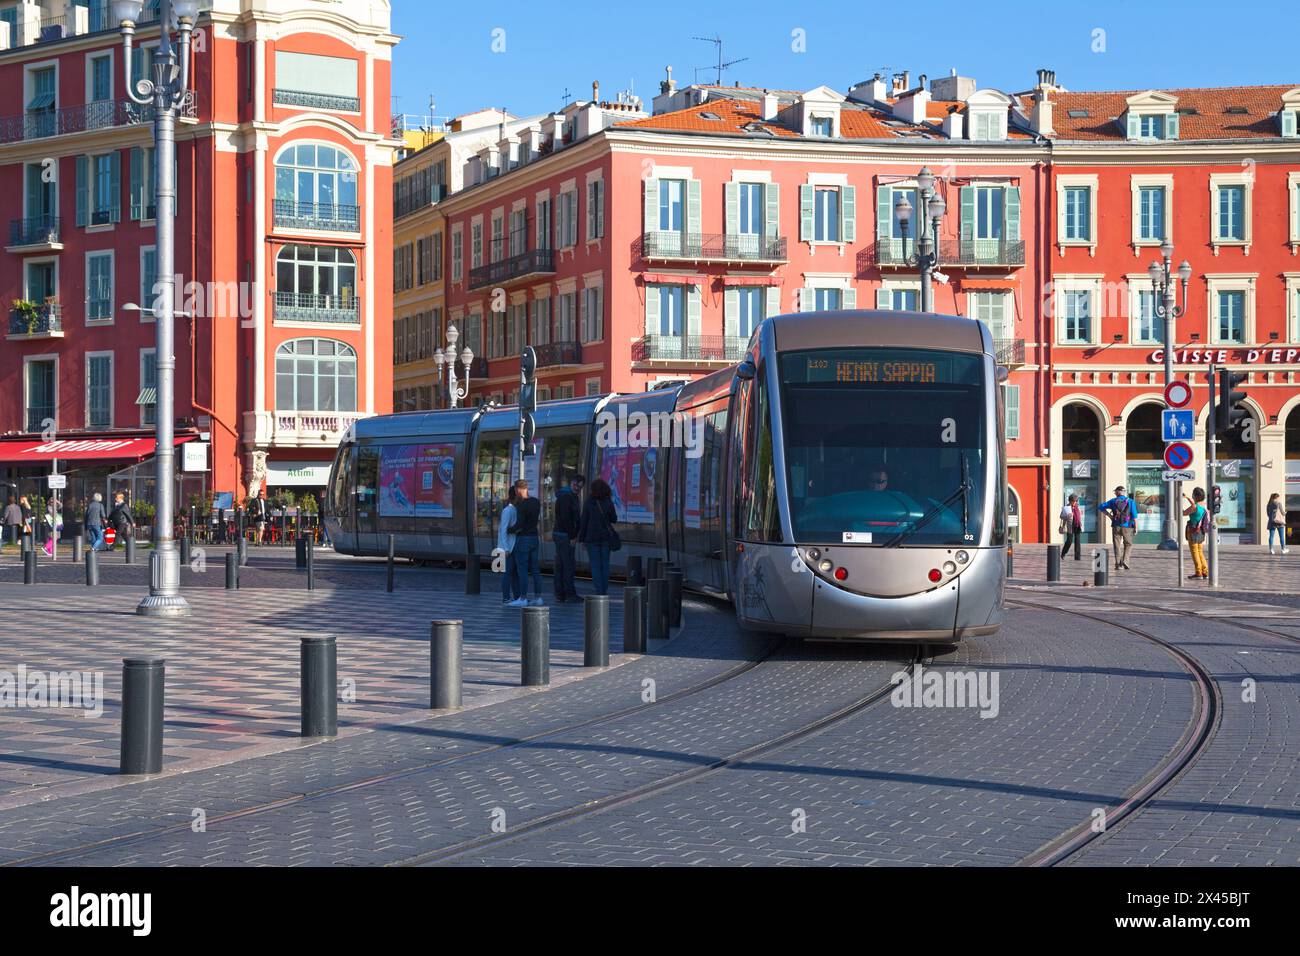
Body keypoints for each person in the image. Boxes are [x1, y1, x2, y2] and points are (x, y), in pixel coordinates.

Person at [578, 477, 619, 596]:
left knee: (595, 566)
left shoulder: (588, 502)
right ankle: (604, 589)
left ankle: (599, 590)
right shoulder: (608, 502)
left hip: (591, 539)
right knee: (605, 564)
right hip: (606, 538)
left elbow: (584, 521)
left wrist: (582, 540)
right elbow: (614, 519)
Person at [507, 479, 544, 607]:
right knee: (535, 569)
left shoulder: (521, 505)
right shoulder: (536, 502)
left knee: (522, 569)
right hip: (535, 538)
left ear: (518, 489)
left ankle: (522, 598)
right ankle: (538, 597)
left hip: (523, 539)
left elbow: (519, 525)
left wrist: (509, 529)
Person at [552, 473, 583, 602]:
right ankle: (569, 594)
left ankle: (560, 593)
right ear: (571, 483)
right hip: (565, 536)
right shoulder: (567, 497)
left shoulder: (568, 495)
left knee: (561, 565)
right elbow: (566, 518)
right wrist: (572, 536)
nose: (577, 488)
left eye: (580, 487)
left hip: (561, 534)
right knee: (568, 565)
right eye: (576, 485)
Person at [1097, 484, 1138, 570]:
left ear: (1117, 492)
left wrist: (1109, 515)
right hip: (1128, 526)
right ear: (1123, 492)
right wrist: (1136, 528)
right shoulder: (1130, 501)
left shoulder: (1113, 501)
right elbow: (1134, 516)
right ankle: (1125, 561)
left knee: (1117, 545)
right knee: (1128, 544)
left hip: (1116, 525)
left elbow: (1100, 507)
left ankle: (1118, 564)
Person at [497, 485, 520, 606]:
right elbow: (503, 530)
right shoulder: (508, 510)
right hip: (508, 548)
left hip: (511, 546)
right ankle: (506, 597)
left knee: (513, 572)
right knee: (508, 572)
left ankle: (516, 596)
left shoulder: (513, 509)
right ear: (515, 496)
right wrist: (505, 548)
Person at [1183, 487, 1211, 580]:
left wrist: (1181, 502)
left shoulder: (1195, 507)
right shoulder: (1205, 506)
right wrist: (1187, 498)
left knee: (1195, 552)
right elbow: (1192, 503)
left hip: (1193, 531)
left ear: (1195, 496)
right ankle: (1205, 572)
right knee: (1200, 552)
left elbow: (1184, 513)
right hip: (1201, 532)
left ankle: (1198, 572)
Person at [1059, 493, 1083, 561]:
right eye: (1074, 501)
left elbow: (1078, 516)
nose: (1075, 502)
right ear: (1070, 501)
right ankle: (1063, 553)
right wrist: (1067, 516)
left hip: (1077, 525)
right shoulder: (1066, 508)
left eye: (1076, 501)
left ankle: (1077, 557)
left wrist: (1080, 522)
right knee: (1069, 541)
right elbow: (1061, 516)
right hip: (1070, 526)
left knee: (1077, 542)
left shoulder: (1077, 507)